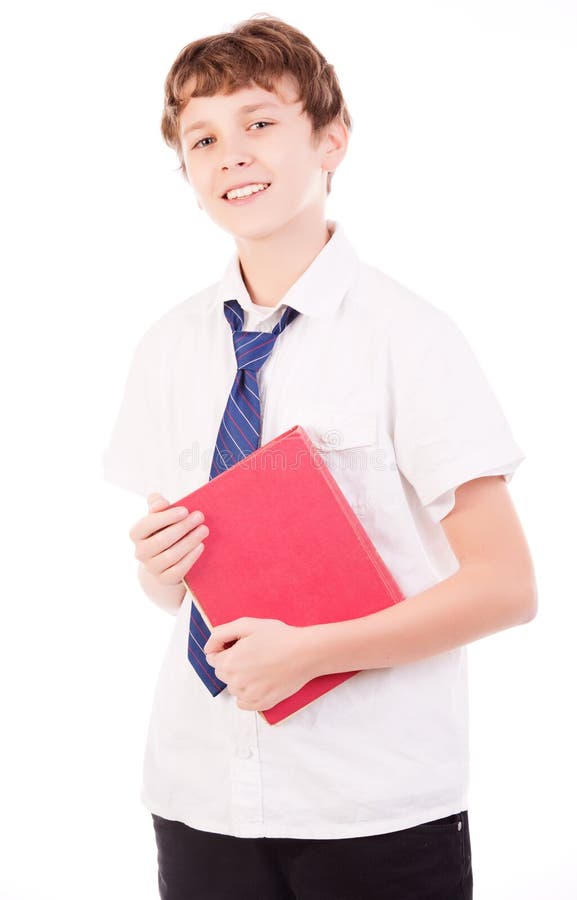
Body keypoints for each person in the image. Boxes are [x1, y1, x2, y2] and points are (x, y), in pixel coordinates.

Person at [101, 14, 537, 900]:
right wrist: (156, 567)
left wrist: (311, 651)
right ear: (185, 172)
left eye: (261, 123)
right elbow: (171, 588)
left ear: (330, 140)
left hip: (369, 801)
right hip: (199, 790)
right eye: (203, 137)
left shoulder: (408, 339)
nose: (232, 154)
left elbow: (504, 587)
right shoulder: (169, 345)